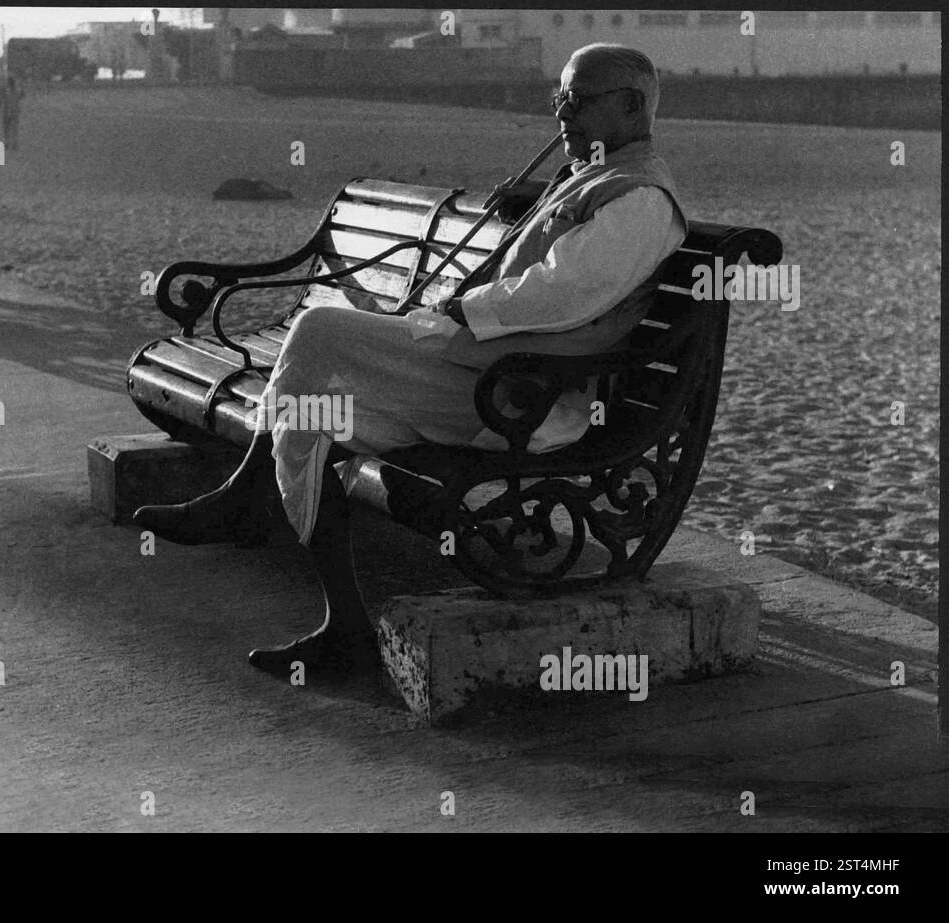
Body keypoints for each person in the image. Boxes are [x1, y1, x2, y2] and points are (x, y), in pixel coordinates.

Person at [132, 44, 689, 677]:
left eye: (578, 100)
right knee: (309, 418)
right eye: (558, 97)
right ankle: (345, 627)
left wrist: (462, 307)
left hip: (523, 401)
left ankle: (241, 498)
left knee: (318, 331)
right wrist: (535, 202)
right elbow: (565, 254)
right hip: (484, 378)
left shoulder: (639, 199)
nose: (562, 112)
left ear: (631, 106)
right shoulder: (593, 175)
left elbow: (566, 291)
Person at [0, 76, 25, 150]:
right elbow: (23, 95)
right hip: (14, 111)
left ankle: (7, 143)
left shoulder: (4, 89)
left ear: (8, 82)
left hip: (7, 111)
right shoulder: (17, 90)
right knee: (14, 129)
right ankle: (14, 144)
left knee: (6, 129)